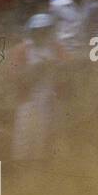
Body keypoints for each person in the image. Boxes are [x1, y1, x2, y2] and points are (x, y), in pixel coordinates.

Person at [9, 13, 62, 160]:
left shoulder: (55, 47)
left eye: (44, 30)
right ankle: (22, 173)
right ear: (32, 32)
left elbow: (68, 67)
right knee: (24, 140)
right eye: (38, 31)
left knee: (43, 140)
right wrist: (36, 70)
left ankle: (39, 173)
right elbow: (13, 75)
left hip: (49, 100)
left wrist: (57, 67)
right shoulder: (22, 49)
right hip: (27, 101)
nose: (41, 34)